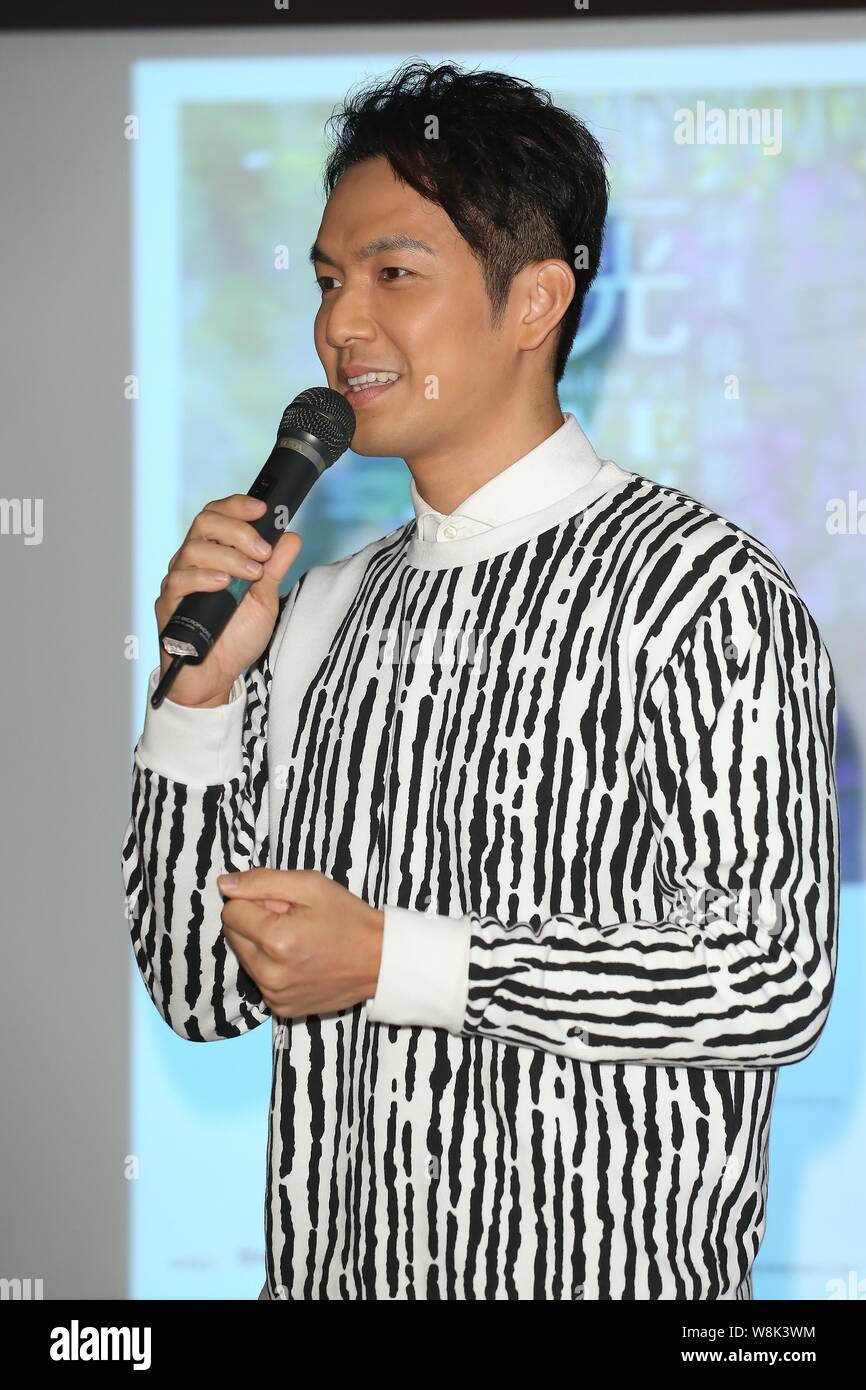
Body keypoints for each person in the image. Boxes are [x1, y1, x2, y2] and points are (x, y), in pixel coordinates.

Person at [121, 60, 839, 1301]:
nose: (343, 324)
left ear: (535, 301)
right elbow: (199, 990)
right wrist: (196, 704)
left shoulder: (699, 591)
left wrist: (398, 959)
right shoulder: (327, 605)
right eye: (330, 281)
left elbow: (767, 973)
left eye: (394, 275)